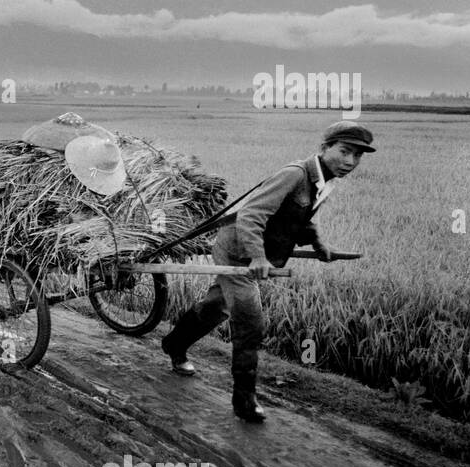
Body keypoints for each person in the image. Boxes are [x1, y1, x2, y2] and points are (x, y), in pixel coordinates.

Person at [159, 121, 376, 423]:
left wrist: (318, 243)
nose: (350, 162)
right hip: (237, 251)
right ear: (324, 148)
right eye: (344, 151)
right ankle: (244, 399)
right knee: (250, 319)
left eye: (357, 156)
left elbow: (300, 217)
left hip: (252, 252)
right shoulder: (295, 175)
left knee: (218, 306)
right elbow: (251, 214)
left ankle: (175, 344)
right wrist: (257, 256)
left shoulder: (322, 181)